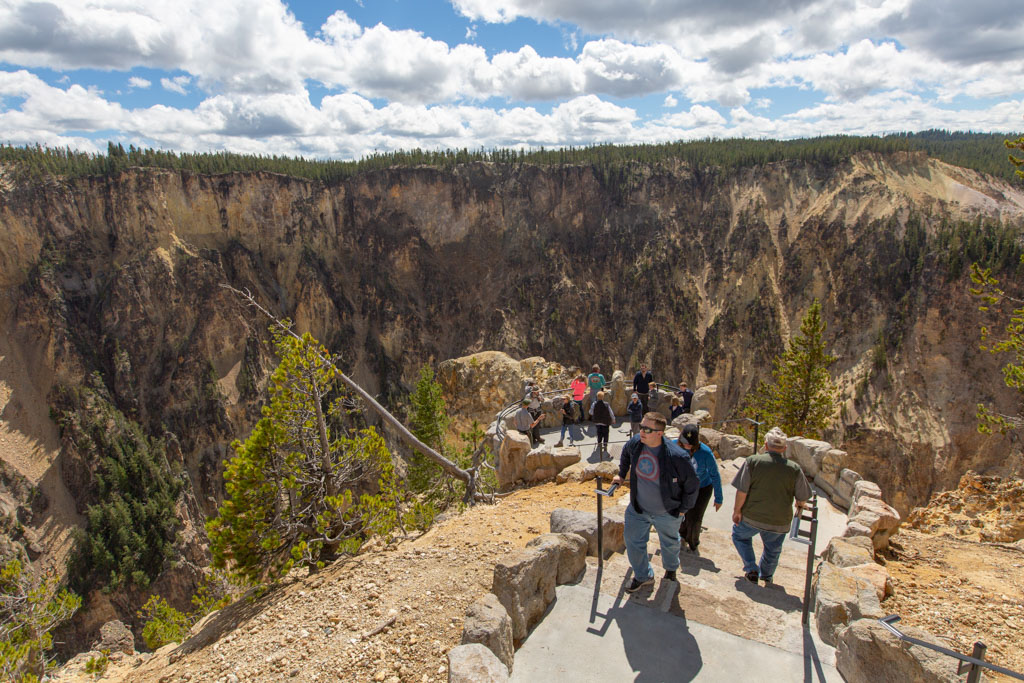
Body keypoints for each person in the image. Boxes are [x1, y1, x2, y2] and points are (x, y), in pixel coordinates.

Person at [612, 412, 700, 591]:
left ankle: (671, 569)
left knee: (670, 543)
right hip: (638, 508)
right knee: (632, 540)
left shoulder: (677, 456)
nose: (641, 432)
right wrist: (621, 474)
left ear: (659, 433)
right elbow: (626, 453)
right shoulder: (636, 443)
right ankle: (643, 576)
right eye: (641, 427)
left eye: (647, 429)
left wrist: (683, 509)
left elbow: (692, 485)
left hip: (667, 511)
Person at [731, 427, 812, 584]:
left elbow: (742, 491)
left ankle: (751, 568)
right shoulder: (794, 469)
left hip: (752, 517)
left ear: (766, 445)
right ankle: (767, 576)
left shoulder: (752, 462)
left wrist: (737, 511)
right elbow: (802, 498)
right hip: (779, 522)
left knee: (739, 536)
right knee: (772, 550)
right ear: (784, 448)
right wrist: (800, 505)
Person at [677, 424, 723, 552]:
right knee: (682, 513)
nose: (687, 445)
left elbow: (715, 475)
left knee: (695, 518)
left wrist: (718, 498)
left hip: (702, 487)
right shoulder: (674, 446)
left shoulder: (705, 453)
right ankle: (682, 536)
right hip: (683, 487)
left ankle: (693, 543)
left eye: (691, 443)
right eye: (685, 442)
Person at [589, 390, 615, 456]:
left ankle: (599, 443)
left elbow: (590, 412)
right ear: (603, 397)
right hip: (605, 422)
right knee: (606, 434)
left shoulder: (594, 404)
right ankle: (605, 445)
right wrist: (613, 419)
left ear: (597, 397)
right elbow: (611, 412)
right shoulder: (606, 404)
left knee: (599, 433)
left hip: (597, 421)